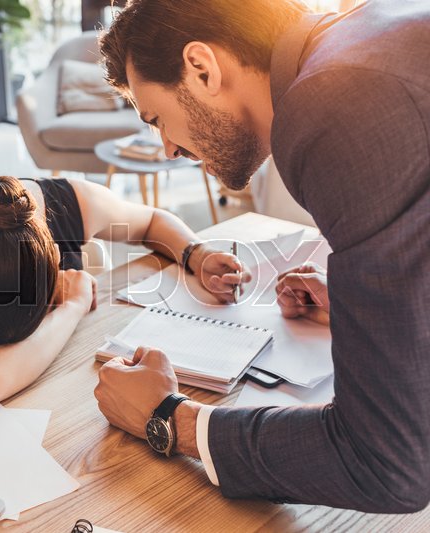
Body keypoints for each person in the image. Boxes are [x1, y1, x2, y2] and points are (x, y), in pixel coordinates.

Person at [94, 0, 430, 513]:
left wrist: (166, 416)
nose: (166, 148)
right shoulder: (361, 35)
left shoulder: (337, 104)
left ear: (202, 68)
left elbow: (389, 463)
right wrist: (373, 307)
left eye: (158, 118)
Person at [0, 175, 249, 408]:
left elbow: (152, 222)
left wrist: (195, 252)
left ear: (55, 263)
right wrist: (74, 305)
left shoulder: (73, 204)